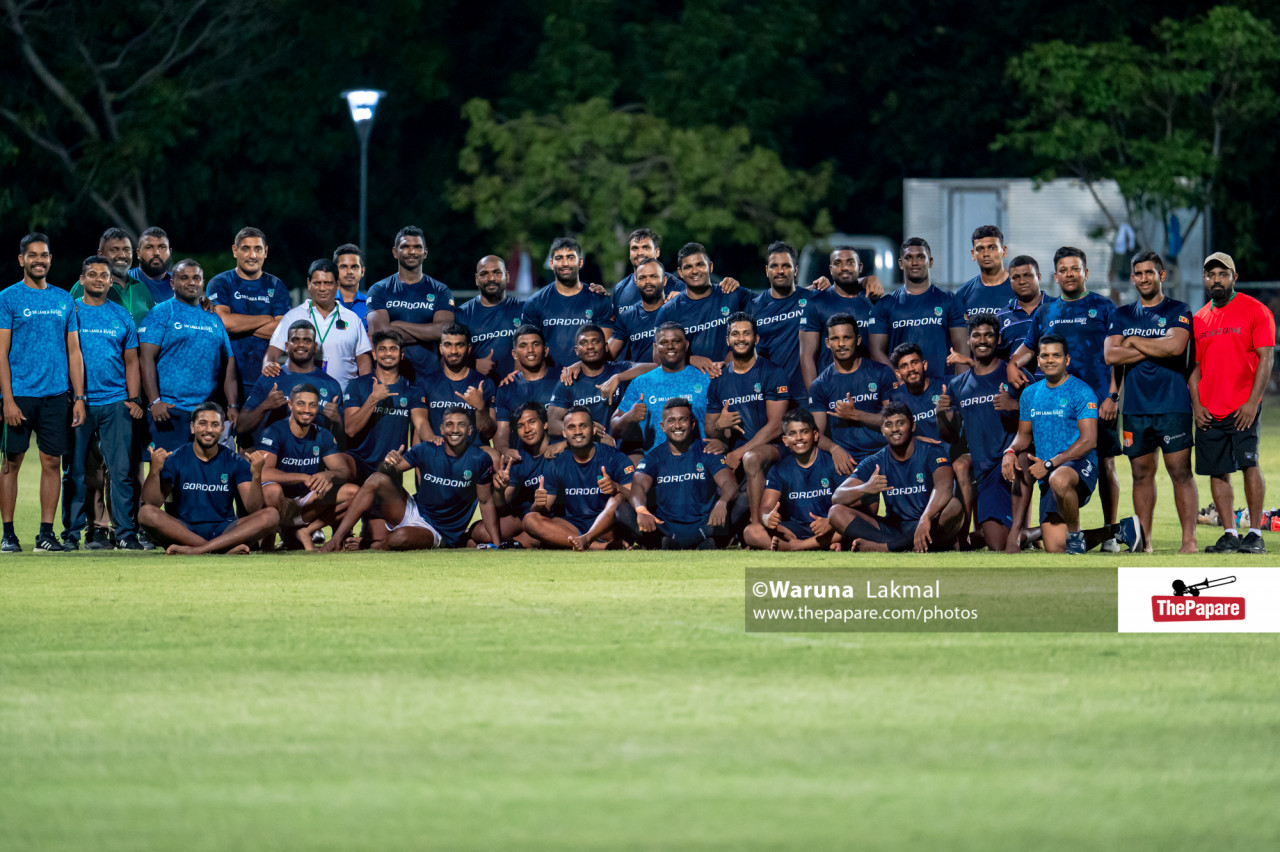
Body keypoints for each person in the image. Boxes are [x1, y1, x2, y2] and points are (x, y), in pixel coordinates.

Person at [1009, 247, 1123, 550]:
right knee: (1058, 470)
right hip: (1057, 406)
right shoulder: (1047, 312)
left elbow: (1117, 356)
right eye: (1064, 269)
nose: (1070, 274)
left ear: (1086, 273)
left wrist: (1113, 395)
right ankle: (1070, 532)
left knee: (1106, 466)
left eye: (1076, 268)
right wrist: (1011, 363)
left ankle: (1112, 531)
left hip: (1098, 403)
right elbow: (1029, 347)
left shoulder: (1103, 306)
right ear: (1056, 275)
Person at [1002, 335, 1139, 554]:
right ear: (1037, 361)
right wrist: (1009, 451)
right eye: (1045, 356)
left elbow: (1089, 440)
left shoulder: (1081, 391)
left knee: (1060, 477)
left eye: (1056, 355)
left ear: (1067, 360)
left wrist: (1049, 464)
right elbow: (1024, 436)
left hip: (1079, 466)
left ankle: (1075, 536)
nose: (1050, 360)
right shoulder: (1030, 394)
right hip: (1048, 472)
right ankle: (1120, 530)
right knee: (1055, 547)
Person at [1104, 251, 1197, 553]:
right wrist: (1156, 346)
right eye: (1139, 273)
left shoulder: (1178, 309)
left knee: (1180, 472)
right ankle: (1144, 543)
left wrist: (1133, 342)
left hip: (1173, 405)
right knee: (1141, 474)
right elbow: (1110, 355)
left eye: (1150, 273)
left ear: (1162, 275)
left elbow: (1176, 346)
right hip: (1136, 409)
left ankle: (1189, 542)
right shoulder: (1122, 315)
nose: (1144, 278)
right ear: (1132, 278)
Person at [0, 234, 87, 553]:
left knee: (51, 461)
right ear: (21, 259)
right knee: (11, 462)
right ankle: (8, 535)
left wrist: (79, 397)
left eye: (45, 255)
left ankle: (46, 535)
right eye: (33, 255)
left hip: (56, 395)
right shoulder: (7, 297)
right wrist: (6, 399)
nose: (40, 260)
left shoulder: (64, 299)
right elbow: (1, 352)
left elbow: (74, 350)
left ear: (50, 259)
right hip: (20, 394)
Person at [1190, 252, 1274, 554]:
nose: (1216, 280)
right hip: (1210, 410)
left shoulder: (1256, 311)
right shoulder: (1199, 320)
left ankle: (1254, 534)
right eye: (1211, 274)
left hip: (1243, 407)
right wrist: (1197, 406)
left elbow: (1266, 358)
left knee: (1249, 464)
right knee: (1218, 469)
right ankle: (1229, 533)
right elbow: (1194, 369)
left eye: (1223, 274)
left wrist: (1253, 402)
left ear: (1234, 278)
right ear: (1204, 279)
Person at [62, 255, 145, 552]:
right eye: (92, 274)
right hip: (78, 403)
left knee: (120, 472)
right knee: (75, 473)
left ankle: (124, 533)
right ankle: (71, 534)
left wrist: (133, 399)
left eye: (104, 275)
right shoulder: (70, 313)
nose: (98, 279)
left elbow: (132, 360)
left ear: (111, 282)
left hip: (115, 403)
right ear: (81, 280)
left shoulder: (121, 316)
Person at [329, 407, 499, 550]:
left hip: (438, 530)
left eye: (461, 425)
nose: (455, 430)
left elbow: (485, 502)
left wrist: (496, 544)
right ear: (441, 429)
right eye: (449, 424)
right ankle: (336, 539)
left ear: (470, 430)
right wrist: (389, 462)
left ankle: (371, 545)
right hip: (414, 509)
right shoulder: (426, 449)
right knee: (376, 479)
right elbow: (389, 470)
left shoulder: (479, 459)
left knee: (399, 538)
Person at [138, 402, 280, 555]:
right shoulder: (176, 458)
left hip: (225, 528)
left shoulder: (235, 460)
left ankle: (198, 550)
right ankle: (220, 549)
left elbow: (253, 508)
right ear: (192, 427)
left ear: (222, 429)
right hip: (185, 529)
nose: (208, 430)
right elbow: (152, 503)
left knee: (271, 515)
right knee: (145, 513)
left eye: (214, 425)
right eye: (203, 424)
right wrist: (154, 471)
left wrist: (257, 475)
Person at [829, 402, 965, 552]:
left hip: (927, 523)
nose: (894, 429)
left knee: (954, 507)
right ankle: (904, 546)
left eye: (900, 423)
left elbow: (944, 487)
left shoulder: (931, 451)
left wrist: (925, 517)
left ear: (912, 426)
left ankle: (885, 548)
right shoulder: (876, 461)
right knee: (836, 512)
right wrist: (865, 488)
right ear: (882, 430)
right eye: (888, 424)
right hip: (895, 528)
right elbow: (837, 497)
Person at [936, 313, 1021, 552]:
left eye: (988, 335)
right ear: (969, 340)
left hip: (1007, 464)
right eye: (977, 335)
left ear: (998, 339)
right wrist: (941, 414)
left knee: (998, 543)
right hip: (982, 471)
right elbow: (950, 437)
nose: (982, 340)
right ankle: (1031, 534)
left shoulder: (1010, 374)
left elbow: (1035, 414)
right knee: (995, 542)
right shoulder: (957, 385)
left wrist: (1014, 405)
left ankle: (1033, 533)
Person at [139, 259, 238, 452]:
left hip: (206, 412)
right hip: (170, 410)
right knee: (167, 473)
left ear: (203, 282)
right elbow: (145, 358)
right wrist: (155, 402)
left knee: (205, 475)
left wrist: (232, 404)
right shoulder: (160, 313)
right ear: (172, 282)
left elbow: (229, 363)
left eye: (196, 278)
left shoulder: (212, 316)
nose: (191, 282)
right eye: (184, 278)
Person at [704, 312, 790, 524]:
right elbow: (709, 429)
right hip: (734, 451)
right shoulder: (719, 380)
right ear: (728, 340)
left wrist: (740, 452)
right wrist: (720, 425)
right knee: (701, 455)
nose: (740, 338)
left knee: (752, 458)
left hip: (774, 448)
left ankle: (755, 525)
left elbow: (777, 427)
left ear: (756, 339)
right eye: (735, 334)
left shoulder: (772, 373)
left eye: (746, 333)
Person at [621, 399, 736, 549]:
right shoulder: (653, 457)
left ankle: (709, 541)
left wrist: (723, 502)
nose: (677, 426)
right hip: (666, 528)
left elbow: (730, 483)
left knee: (741, 499)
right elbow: (638, 486)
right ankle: (671, 543)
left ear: (693, 424)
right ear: (663, 426)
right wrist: (641, 510)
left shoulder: (708, 451)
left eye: (683, 420)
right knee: (621, 510)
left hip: (706, 525)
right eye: (671, 421)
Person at [256, 384, 358, 550]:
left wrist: (329, 475)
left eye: (312, 405)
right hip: (280, 503)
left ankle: (306, 531)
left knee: (353, 492)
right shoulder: (274, 431)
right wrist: (303, 477)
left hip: (307, 502)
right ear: (290, 405)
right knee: (272, 490)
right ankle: (268, 541)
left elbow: (344, 471)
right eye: (301, 404)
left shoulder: (322, 435)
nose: (307, 410)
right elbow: (263, 474)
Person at [523, 406, 634, 550]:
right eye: (571, 427)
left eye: (583, 426)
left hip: (607, 526)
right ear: (564, 433)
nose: (577, 432)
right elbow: (544, 508)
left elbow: (637, 498)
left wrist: (617, 487)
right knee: (529, 520)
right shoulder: (557, 464)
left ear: (593, 429)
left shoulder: (615, 458)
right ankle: (601, 547)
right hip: (575, 526)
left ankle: (588, 541)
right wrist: (537, 504)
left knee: (618, 499)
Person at [808, 314, 896, 478]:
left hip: (885, 454)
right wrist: (834, 449)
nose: (841, 344)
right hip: (848, 461)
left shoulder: (881, 372)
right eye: (835, 338)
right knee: (839, 503)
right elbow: (815, 434)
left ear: (857, 340)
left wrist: (857, 415)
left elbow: (894, 420)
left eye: (846, 337)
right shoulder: (819, 385)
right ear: (827, 343)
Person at [207, 226, 290, 398]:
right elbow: (225, 324)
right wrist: (267, 318)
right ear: (235, 251)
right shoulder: (220, 283)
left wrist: (239, 325)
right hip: (224, 379)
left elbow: (281, 332)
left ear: (265, 252)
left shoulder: (276, 285)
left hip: (265, 377)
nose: (252, 255)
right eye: (245, 249)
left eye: (258, 249)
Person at [264, 259, 372, 392]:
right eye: (317, 283)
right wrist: (268, 363)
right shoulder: (293, 316)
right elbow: (273, 352)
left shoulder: (352, 319)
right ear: (309, 283)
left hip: (343, 400)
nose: (322, 288)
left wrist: (364, 391)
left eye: (327, 283)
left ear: (337, 284)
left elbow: (363, 360)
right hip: (300, 401)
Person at [869, 238, 968, 379]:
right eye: (909, 258)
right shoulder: (885, 304)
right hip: (903, 391)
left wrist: (960, 388)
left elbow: (961, 349)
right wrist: (899, 382)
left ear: (931, 262)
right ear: (901, 264)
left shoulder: (950, 300)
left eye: (921, 257)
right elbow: (876, 352)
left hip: (942, 388)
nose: (915, 263)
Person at [366, 225, 456, 380]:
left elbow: (443, 332)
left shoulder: (441, 290)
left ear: (425, 253)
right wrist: (428, 333)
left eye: (417, 247)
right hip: (391, 377)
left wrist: (398, 325)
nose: (412, 252)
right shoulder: (379, 289)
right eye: (405, 247)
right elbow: (381, 335)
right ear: (395, 252)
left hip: (430, 377)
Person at [742, 409, 840, 551]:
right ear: (785, 441)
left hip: (827, 526)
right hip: (796, 531)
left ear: (815, 435)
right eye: (792, 434)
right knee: (751, 531)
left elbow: (848, 507)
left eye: (804, 432)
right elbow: (765, 508)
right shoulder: (779, 469)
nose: (799, 438)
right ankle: (815, 545)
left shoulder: (832, 463)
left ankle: (796, 547)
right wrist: (766, 518)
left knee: (847, 526)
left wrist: (830, 522)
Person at [241, 320, 345, 442]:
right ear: (286, 346)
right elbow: (241, 427)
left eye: (307, 340)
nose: (301, 344)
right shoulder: (270, 377)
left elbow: (342, 441)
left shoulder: (331, 385)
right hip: (272, 455)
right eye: (295, 340)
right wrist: (265, 405)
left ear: (315, 347)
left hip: (314, 457)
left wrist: (337, 419)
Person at [613, 323, 710, 453]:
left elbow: (717, 421)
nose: (670, 346)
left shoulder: (705, 378)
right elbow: (615, 428)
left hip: (699, 461)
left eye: (676, 341)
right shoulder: (641, 382)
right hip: (658, 466)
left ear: (686, 345)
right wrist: (630, 416)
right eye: (663, 342)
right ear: (655, 347)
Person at [520, 237, 614, 369]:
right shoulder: (535, 303)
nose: (565, 263)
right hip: (549, 382)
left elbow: (606, 349)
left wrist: (580, 367)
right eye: (559, 258)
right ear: (551, 264)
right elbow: (525, 348)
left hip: (589, 381)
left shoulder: (598, 299)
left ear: (580, 262)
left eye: (570, 257)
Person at [476, 402, 559, 548]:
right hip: (525, 517)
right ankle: (513, 542)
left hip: (554, 517)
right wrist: (500, 490)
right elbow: (503, 505)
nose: (527, 430)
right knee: (481, 532)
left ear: (545, 424)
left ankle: (514, 543)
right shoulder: (519, 459)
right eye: (520, 426)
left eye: (532, 422)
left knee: (540, 533)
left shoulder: (560, 450)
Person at [342, 330, 418, 483]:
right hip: (358, 462)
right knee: (337, 461)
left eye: (393, 349)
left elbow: (419, 428)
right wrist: (373, 399)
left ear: (401, 354)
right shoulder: (357, 385)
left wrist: (406, 459)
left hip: (389, 465)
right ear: (374, 354)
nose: (388, 353)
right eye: (382, 349)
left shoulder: (412, 391)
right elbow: (350, 430)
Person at [655, 243, 752, 361]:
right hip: (689, 378)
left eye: (700, 265)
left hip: (731, 376)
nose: (694, 271)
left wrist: (735, 356)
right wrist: (689, 360)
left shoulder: (733, 294)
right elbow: (657, 357)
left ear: (710, 267)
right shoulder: (669, 310)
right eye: (688, 267)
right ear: (680, 273)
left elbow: (768, 309)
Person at [799, 245, 878, 387]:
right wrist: (814, 397)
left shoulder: (873, 300)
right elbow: (807, 356)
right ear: (830, 269)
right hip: (831, 389)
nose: (844, 268)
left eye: (850, 262)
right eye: (838, 263)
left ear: (860, 267)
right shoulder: (816, 303)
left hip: (869, 388)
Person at [549, 323, 633, 444]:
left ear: (605, 347)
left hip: (621, 448)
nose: (590, 347)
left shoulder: (620, 369)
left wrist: (618, 378)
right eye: (584, 343)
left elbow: (654, 368)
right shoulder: (569, 380)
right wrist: (585, 429)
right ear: (577, 351)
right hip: (586, 450)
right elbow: (552, 423)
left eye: (595, 341)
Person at [415, 323, 496, 444]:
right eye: (448, 345)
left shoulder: (484, 384)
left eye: (459, 345)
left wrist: (480, 408)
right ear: (440, 348)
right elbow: (420, 425)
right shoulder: (425, 383)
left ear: (468, 348)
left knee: (493, 457)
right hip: (438, 452)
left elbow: (488, 433)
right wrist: (431, 441)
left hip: (472, 455)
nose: (453, 351)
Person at [751, 241, 810, 401]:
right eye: (774, 266)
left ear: (796, 270)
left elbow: (841, 292)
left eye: (786, 266)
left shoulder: (812, 299)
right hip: (769, 396)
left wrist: (865, 280)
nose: (780, 271)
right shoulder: (754, 306)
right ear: (766, 271)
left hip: (804, 395)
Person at [492, 325, 560, 456]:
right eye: (523, 345)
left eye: (535, 344)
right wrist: (505, 451)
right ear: (514, 354)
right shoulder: (506, 388)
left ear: (545, 351)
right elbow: (502, 432)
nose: (530, 350)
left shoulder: (563, 379)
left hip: (560, 458)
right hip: (524, 464)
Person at [455, 255, 524, 381]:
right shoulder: (461, 314)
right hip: (478, 393)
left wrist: (520, 371)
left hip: (516, 392)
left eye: (497, 273)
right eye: (484, 274)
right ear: (476, 279)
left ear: (507, 276)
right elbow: (445, 358)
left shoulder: (524, 310)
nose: (491, 278)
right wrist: (473, 364)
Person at [70, 227, 154, 325]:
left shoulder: (141, 287)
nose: (122, 255)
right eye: (114, 250)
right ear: (100, 254)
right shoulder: (87, 285)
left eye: (126, 250)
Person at [994, 255, 1054, 364]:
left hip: (1055, 381)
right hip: (1017, 380)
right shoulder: (1001, 317)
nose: (1022, 281)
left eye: (1027, 275)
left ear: (1039, 277)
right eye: (1016, 277)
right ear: (1010, 281)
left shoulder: (1059, 308)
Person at [610, 258, 668, 363]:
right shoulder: (627, 317)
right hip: (639, 378)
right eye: (642, 277)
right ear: (636, 282)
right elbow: (607, 354)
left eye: (653, 276)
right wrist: (581, 364)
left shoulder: (676, 308)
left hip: (674, 377)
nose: (648, 282)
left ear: (664, 280)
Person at [611, 229, 685, 311]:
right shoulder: (619, 289)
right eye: (635, 248)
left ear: (657, 252)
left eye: (645, 247)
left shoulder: (678, 288)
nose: (640, 253)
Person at [953, 225, 1014, 317]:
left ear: (1004, 251)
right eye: (980, 249)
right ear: (973, 254)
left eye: (992, 248)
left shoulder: (1019, 288)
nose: (986, 254)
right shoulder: (964, 293)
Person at [886, 343, 943, 441]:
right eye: (904, 366)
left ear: (924, 365)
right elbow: (896, 434)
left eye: (915, 362)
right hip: (921, 454)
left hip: (953, 453)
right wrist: (915, 439)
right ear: (898, 374)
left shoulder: (945, 385)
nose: (911, 369)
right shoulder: (896, 398)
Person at [130, 227, 174, 304]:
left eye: (162, 247)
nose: (156, 252)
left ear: (170, 252)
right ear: (138, 253)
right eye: (149, 247)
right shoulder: (124, 281)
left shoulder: (181, 284)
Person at [332, 243, 369, 324]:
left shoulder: (371, 306)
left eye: (354, 267)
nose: (349, 272)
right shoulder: (326, 303)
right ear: (334, 271)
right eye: (343, 266)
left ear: (362, 271)